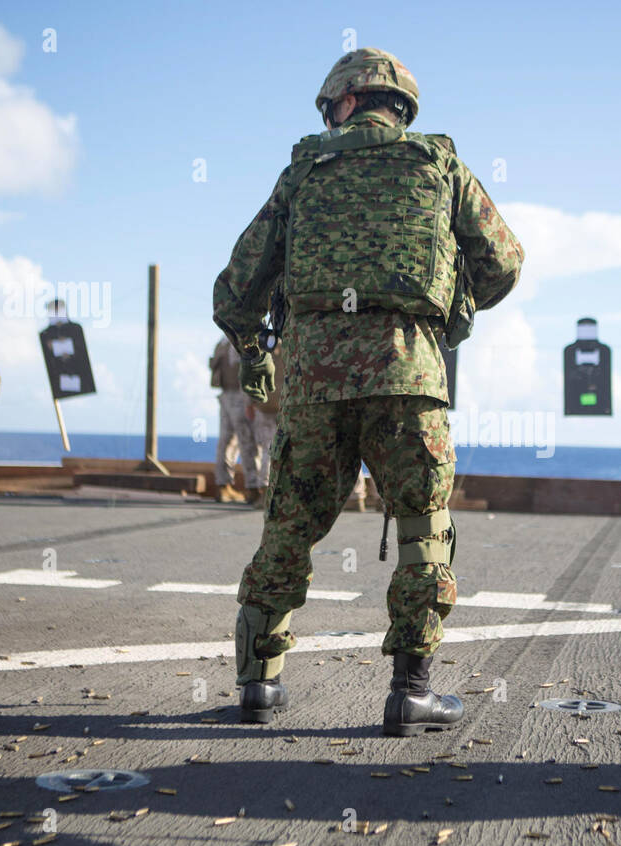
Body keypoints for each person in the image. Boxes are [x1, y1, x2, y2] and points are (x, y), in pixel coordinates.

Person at [213, 47, 522, 731]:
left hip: (315, 381)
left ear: (347, 102)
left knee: (290, 528)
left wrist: (256, 348)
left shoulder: (302, 174)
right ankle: (411, 690)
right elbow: (503, 262)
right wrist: (452, 301)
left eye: (331, 109)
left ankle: (259, 687)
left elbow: (236, 287)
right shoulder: (440, 167)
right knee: (424, 534)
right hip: (407, 376)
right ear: (399, 107)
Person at [209, 334, 263, 504]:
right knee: (248, 442)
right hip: (241, 396)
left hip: (226, 395)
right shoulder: (243, 339)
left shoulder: (223, 341)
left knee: (226, 441)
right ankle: (254, 488)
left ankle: (223, 486)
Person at [244, 343, 284, 509]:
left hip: (264, 405)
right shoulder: (291, 345)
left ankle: (266, 491)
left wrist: (250, 403)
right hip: (284, 404)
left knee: (267, 449)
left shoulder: (258, 350)